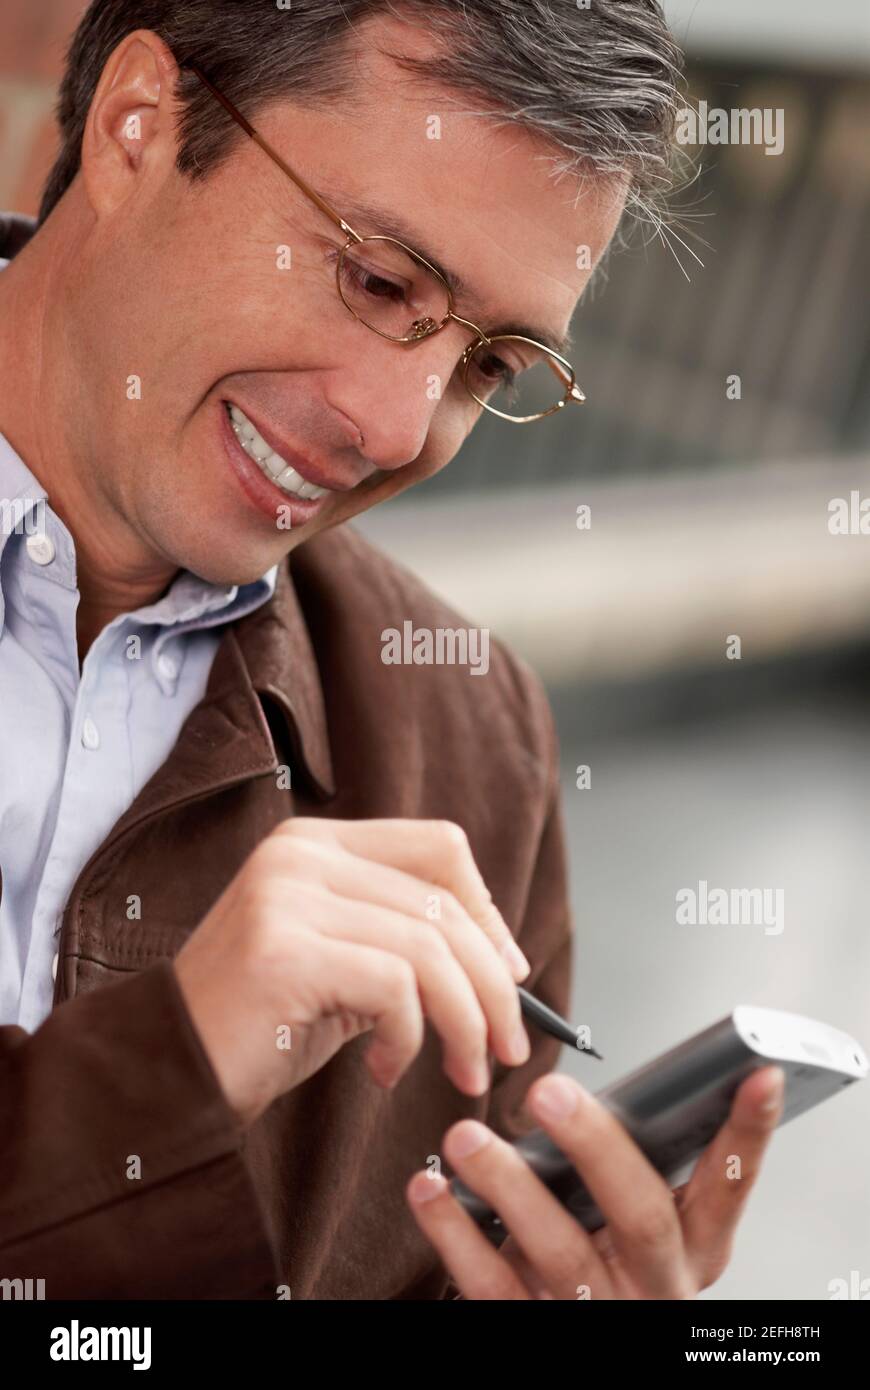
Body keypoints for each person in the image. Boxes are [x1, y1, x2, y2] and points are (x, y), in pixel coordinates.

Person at [0, 0, 784, 1300]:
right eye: (376, 279)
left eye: (490, 363)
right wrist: (173, 1065)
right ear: (140, 125)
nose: (393, 425)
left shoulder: (473, 737)